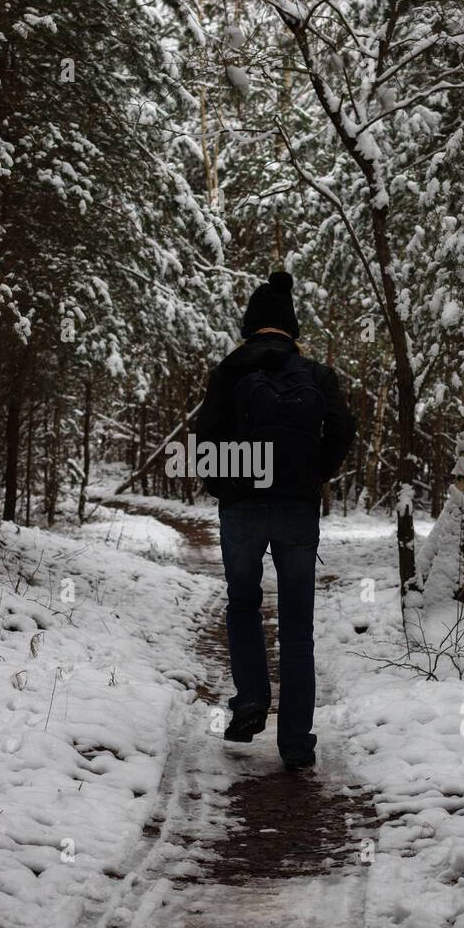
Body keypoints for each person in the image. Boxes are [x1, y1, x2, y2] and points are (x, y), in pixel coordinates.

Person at [195, 271, 356, 771]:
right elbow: (344, 429)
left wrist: (227, 485)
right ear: (290, 329)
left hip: (242, 506)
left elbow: (206, 442)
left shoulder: (229, 371)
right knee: (296, 626)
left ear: (252, 327)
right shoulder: (318, 374)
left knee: (243, 604)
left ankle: (249, 705)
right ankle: (295, 742)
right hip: (296, 509)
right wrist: (314, 475)